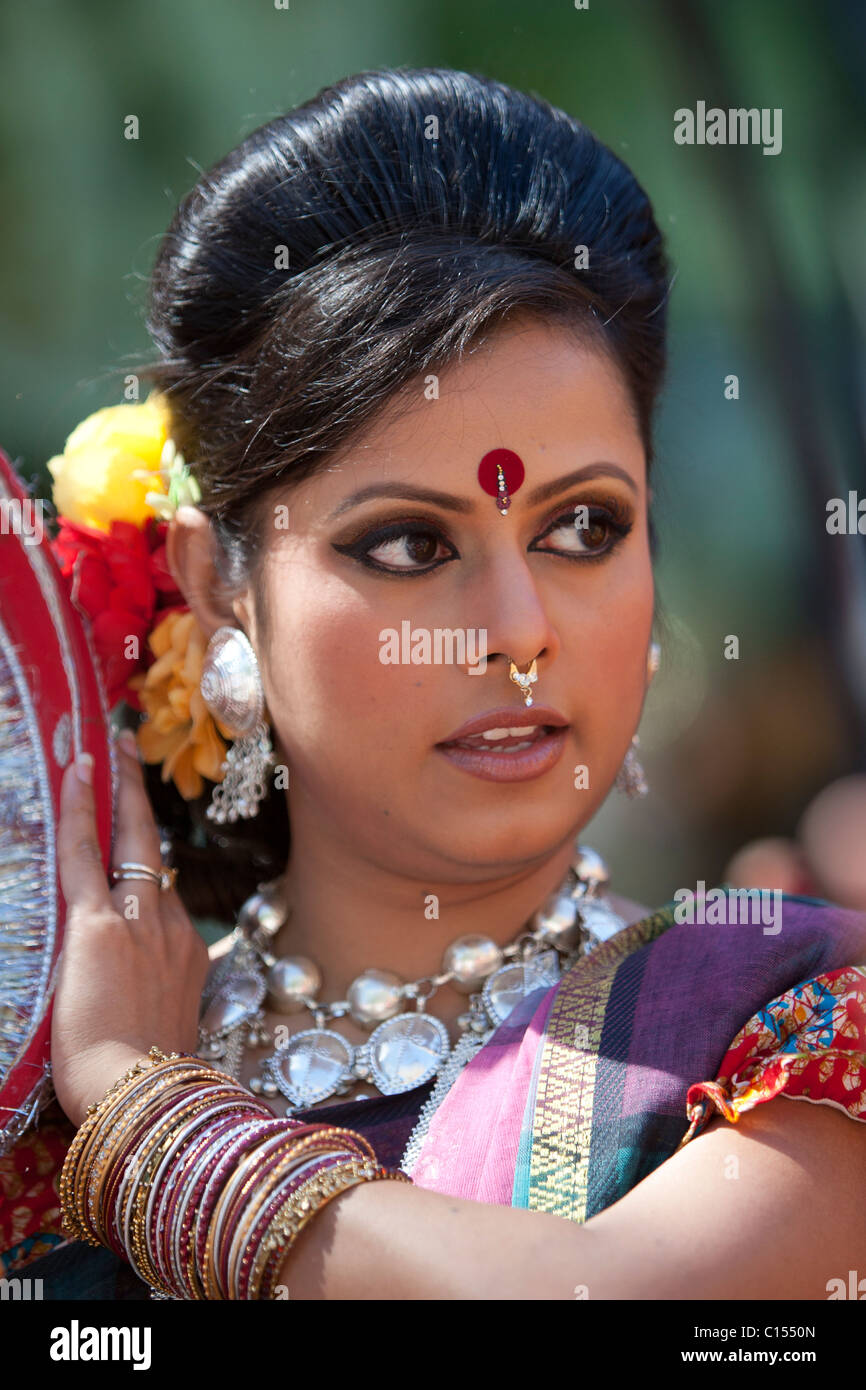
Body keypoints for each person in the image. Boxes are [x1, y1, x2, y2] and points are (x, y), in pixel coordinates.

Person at [4, 66, 865, 1301]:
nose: (517, 632)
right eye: (409, 543)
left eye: (582, 527)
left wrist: (154, 1128)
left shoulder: (780, 1031)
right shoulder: (46, 1132)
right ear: (217, 585)